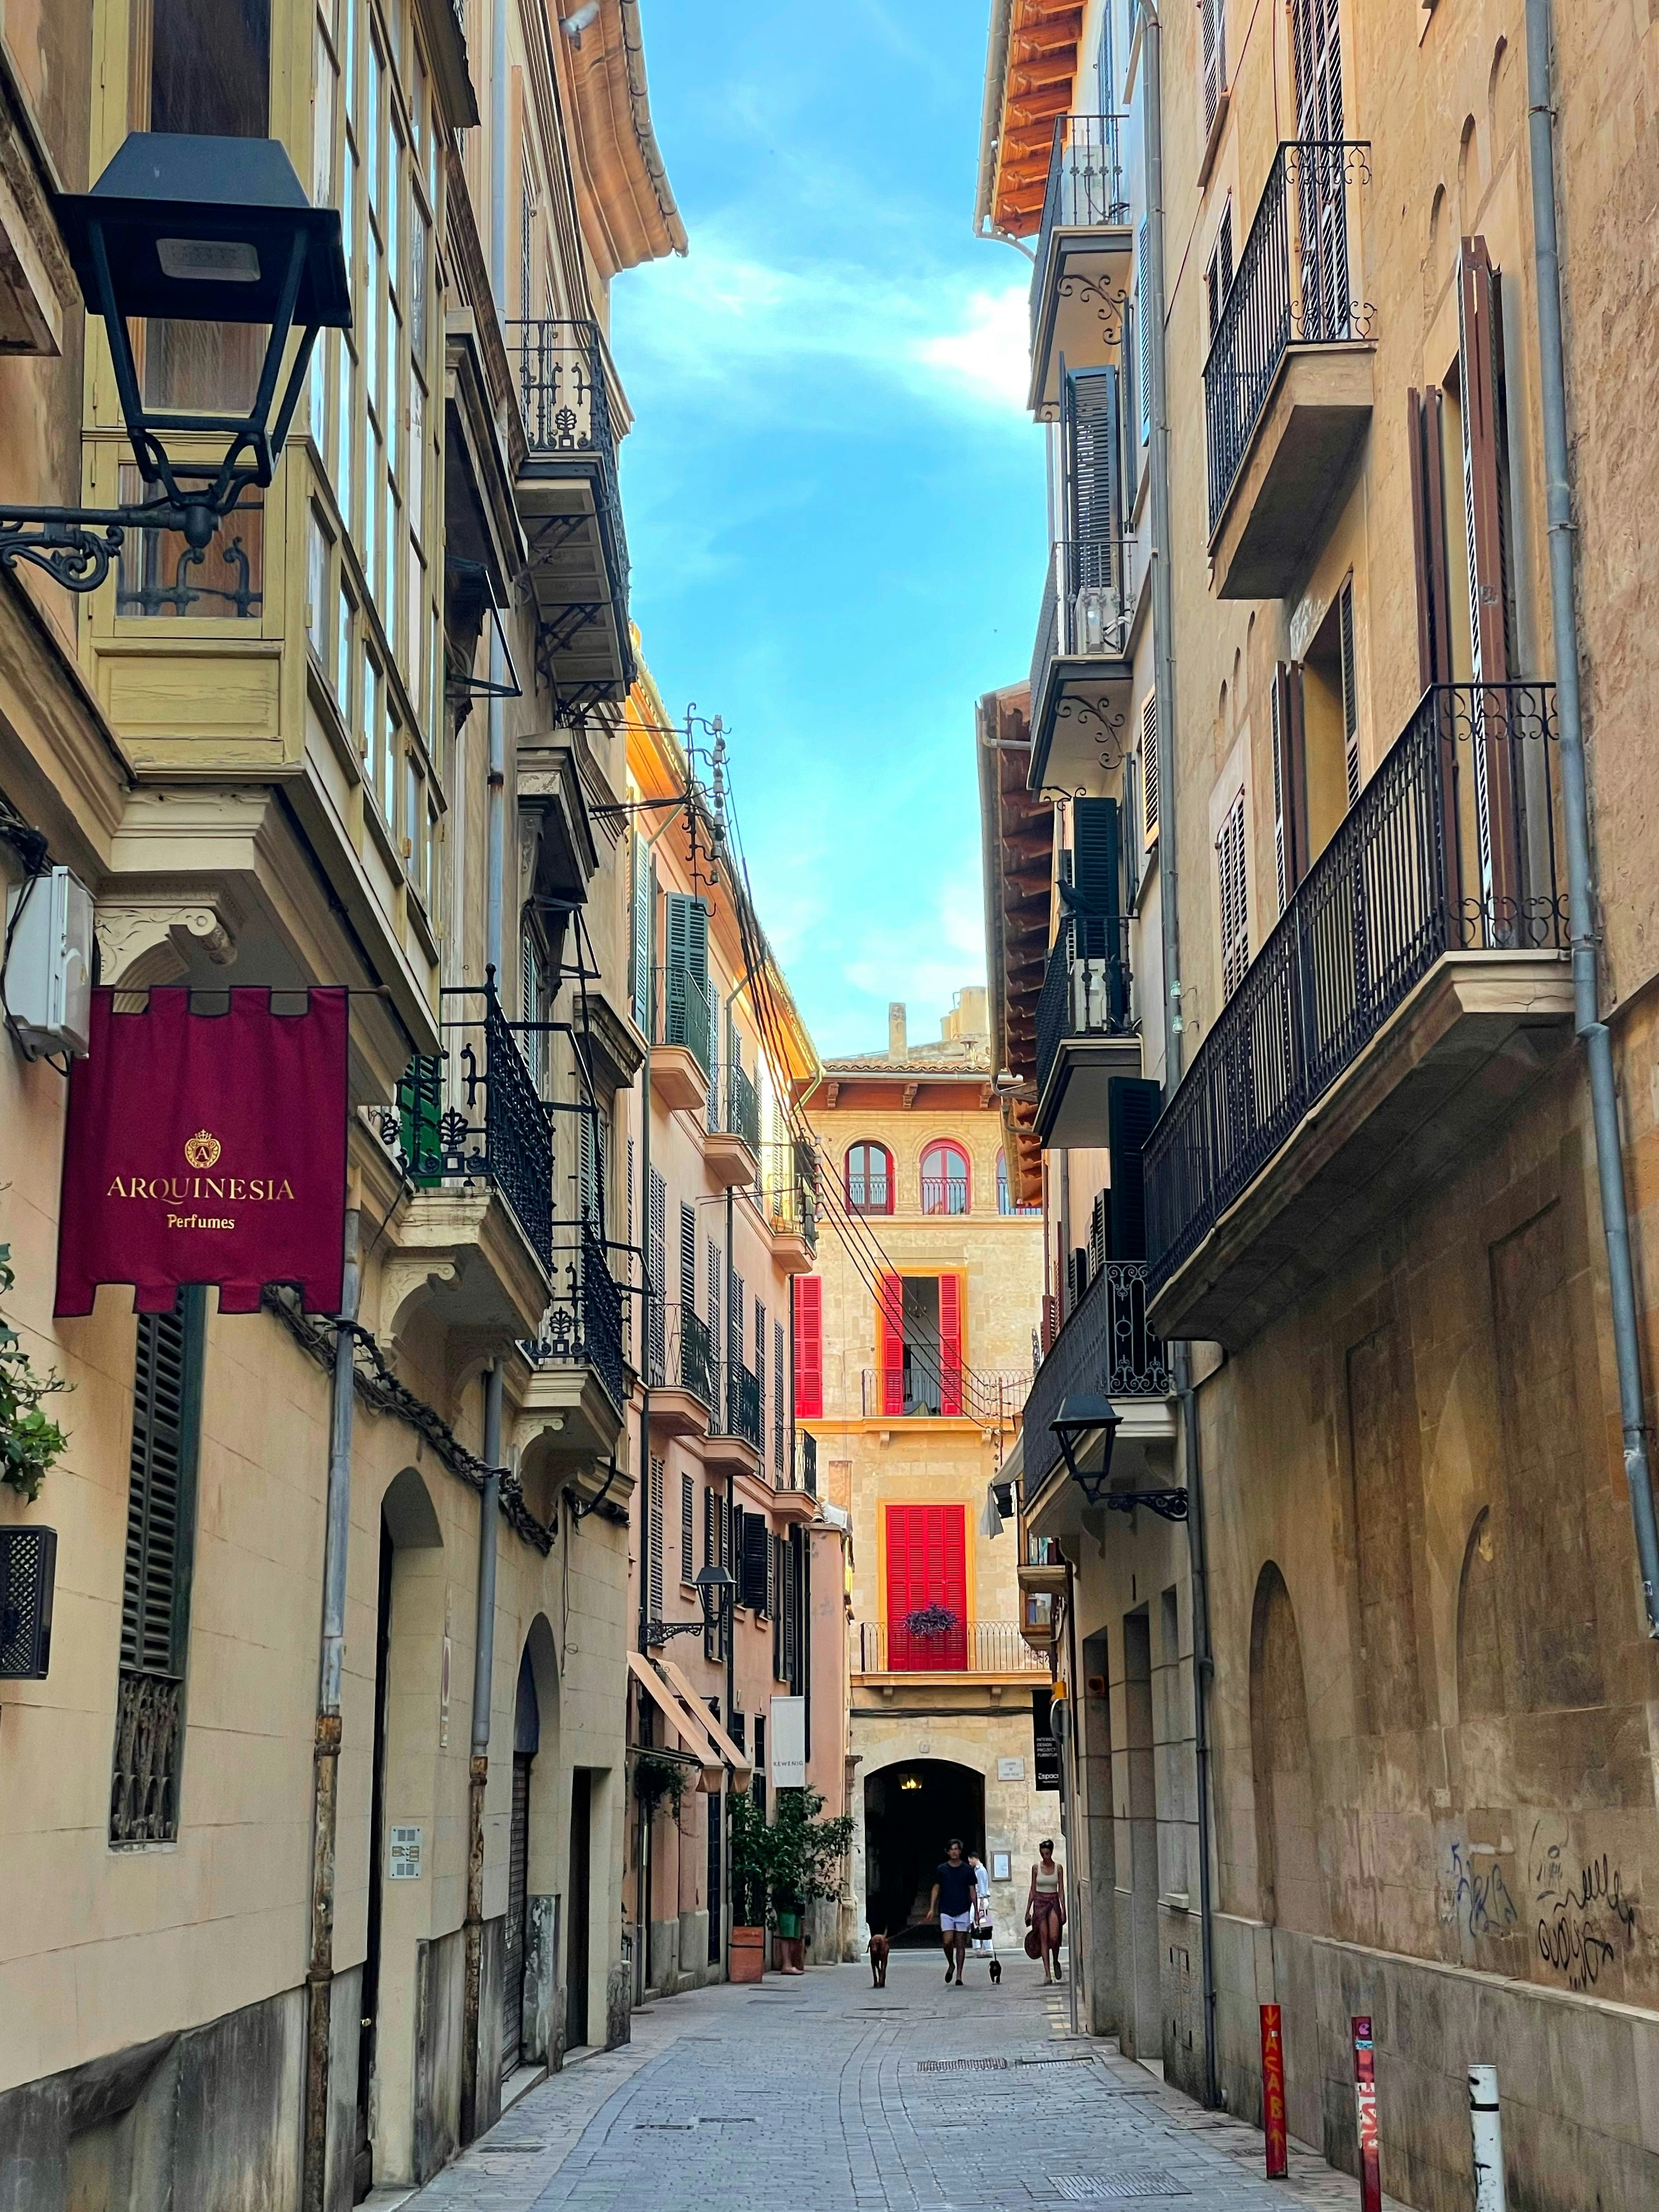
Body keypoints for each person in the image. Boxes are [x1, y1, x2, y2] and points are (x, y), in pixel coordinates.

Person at [926, 1838, 978, 1986]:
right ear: (948, 1852)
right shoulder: (942, 1869)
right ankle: (951, 1964)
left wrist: (977, 1909)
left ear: (960, 1851)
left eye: (957, 1849)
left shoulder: (968, 1870)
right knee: (947, 1942)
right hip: (946, 1910)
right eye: (952, 1849)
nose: (954, 1852)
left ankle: (959, 1976)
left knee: (961, 1943)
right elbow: (936, 1888)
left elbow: (972, 1891)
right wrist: (932, 1908)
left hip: (962, 1909)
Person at [1026, 1838, 1066, 1984]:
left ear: (1052, 1852)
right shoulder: (1036, 1868)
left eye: (1047, 1854)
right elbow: (1032, 1890)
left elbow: (1061, 1890)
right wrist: (1028, 1910)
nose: (1045, 1857)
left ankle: (1055, 1960)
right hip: (1040, 1902)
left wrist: (1064, 1910)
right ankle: (1047, 1973)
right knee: (1044, 1937)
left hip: (1053, 1901)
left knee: (1054, 1937)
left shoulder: (1059, 1868)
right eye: (1042, 1854)